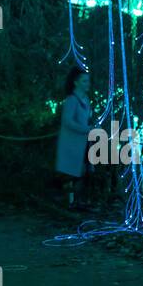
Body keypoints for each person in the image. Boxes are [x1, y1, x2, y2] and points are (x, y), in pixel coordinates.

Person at [54, 68, 93, 209]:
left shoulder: (86, 100)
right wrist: (86, 129)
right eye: (84, 81)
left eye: (88, 80)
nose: (87, 83)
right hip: (71, 143)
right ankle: (69, 202)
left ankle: (79, 201)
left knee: (84, 170)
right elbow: (67, 121)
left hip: (82, 142)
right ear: (76, 83)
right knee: (70, 172)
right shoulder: (71, 100)